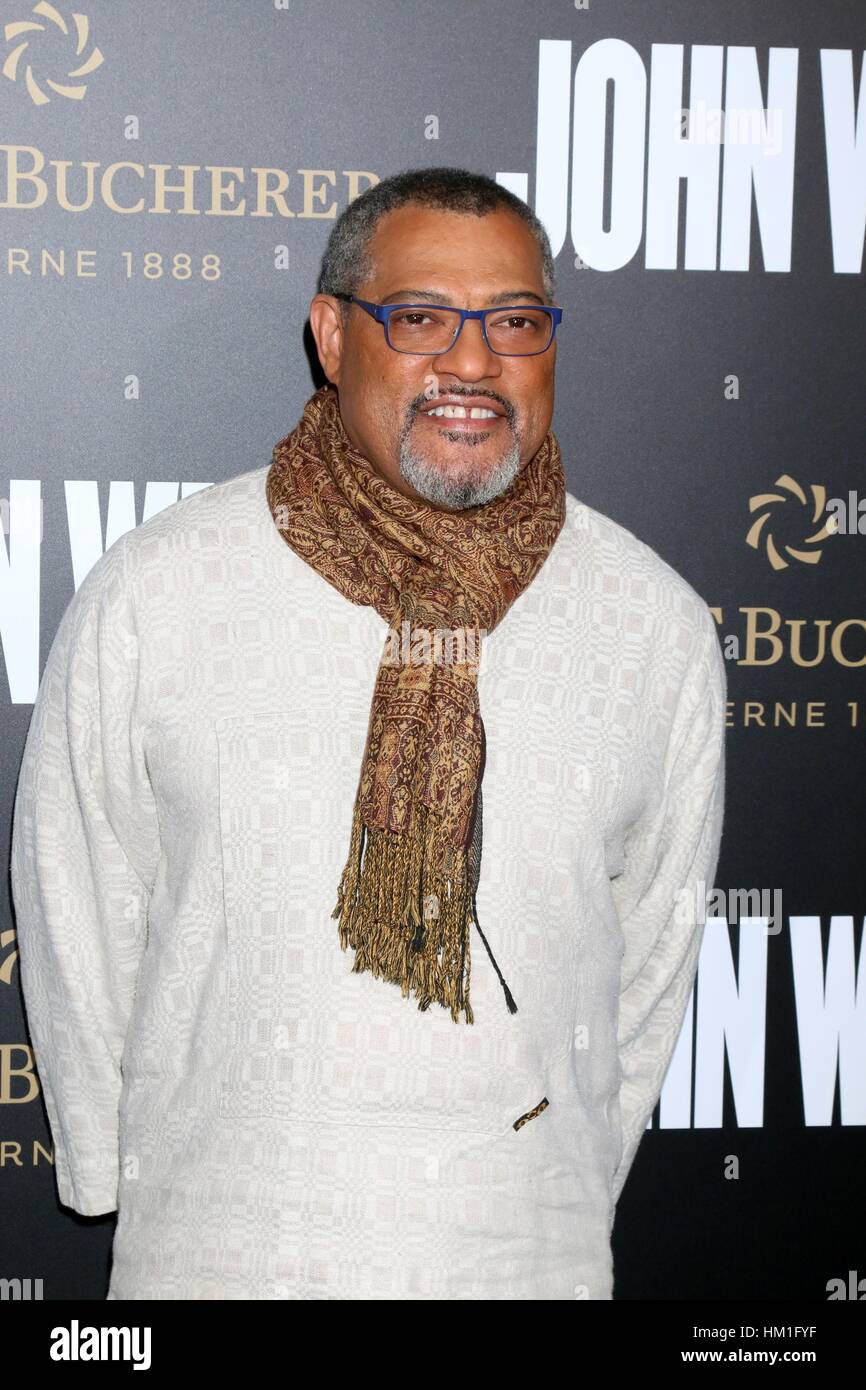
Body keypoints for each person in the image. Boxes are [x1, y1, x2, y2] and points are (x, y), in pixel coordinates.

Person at [11, 166, 727, 1300]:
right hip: (221, 1249)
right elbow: (82, 897)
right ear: (332, 337)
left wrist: (567, 1181)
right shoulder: (161, 589)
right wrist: (107, 1164)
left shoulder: (652, 625)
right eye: (422, 317)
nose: (472, 361)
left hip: (524, 1256)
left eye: (515, 322)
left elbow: (647, 970)